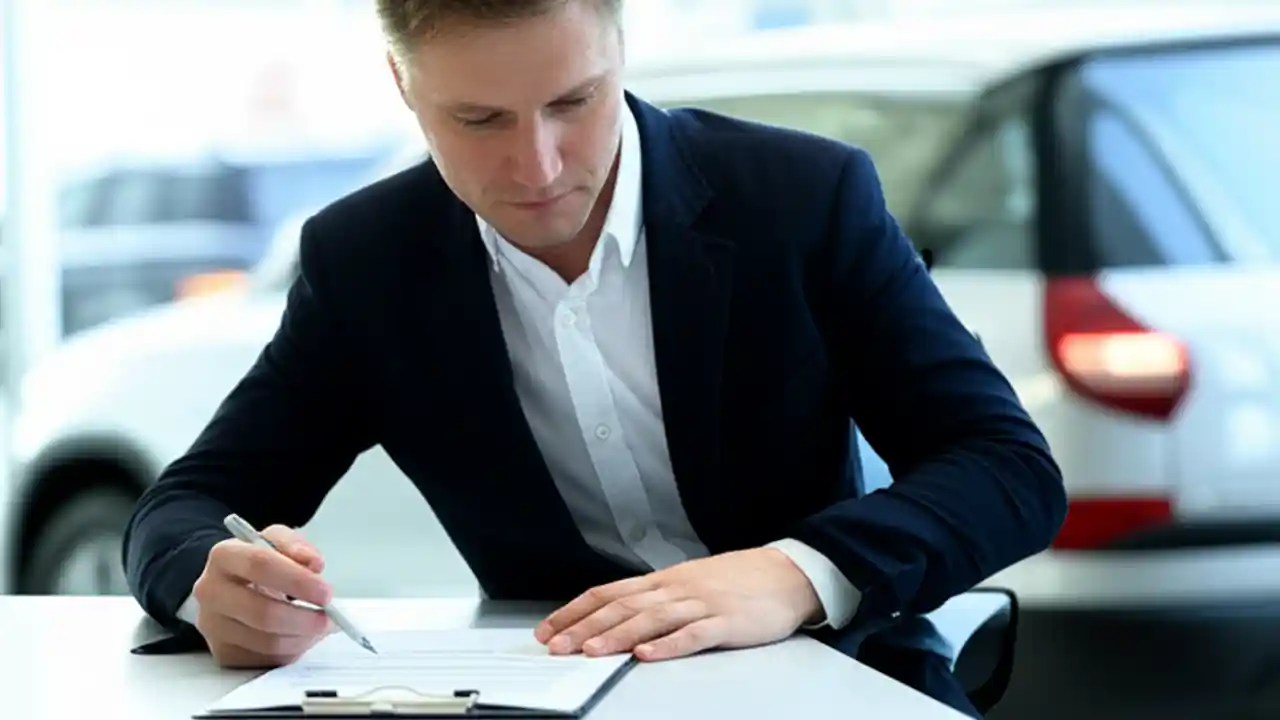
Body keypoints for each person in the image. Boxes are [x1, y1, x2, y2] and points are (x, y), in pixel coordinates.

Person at [122, 1, 1066, 716]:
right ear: (404, 89)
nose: (536, 166)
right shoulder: (365, 262)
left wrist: (792, 574)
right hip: (552, 694)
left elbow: (1009, 469)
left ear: (619, 53)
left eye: (572, 102)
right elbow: (182, 508)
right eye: (480, 121)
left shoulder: (801, 196)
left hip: (831, 674)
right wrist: (216, 587)